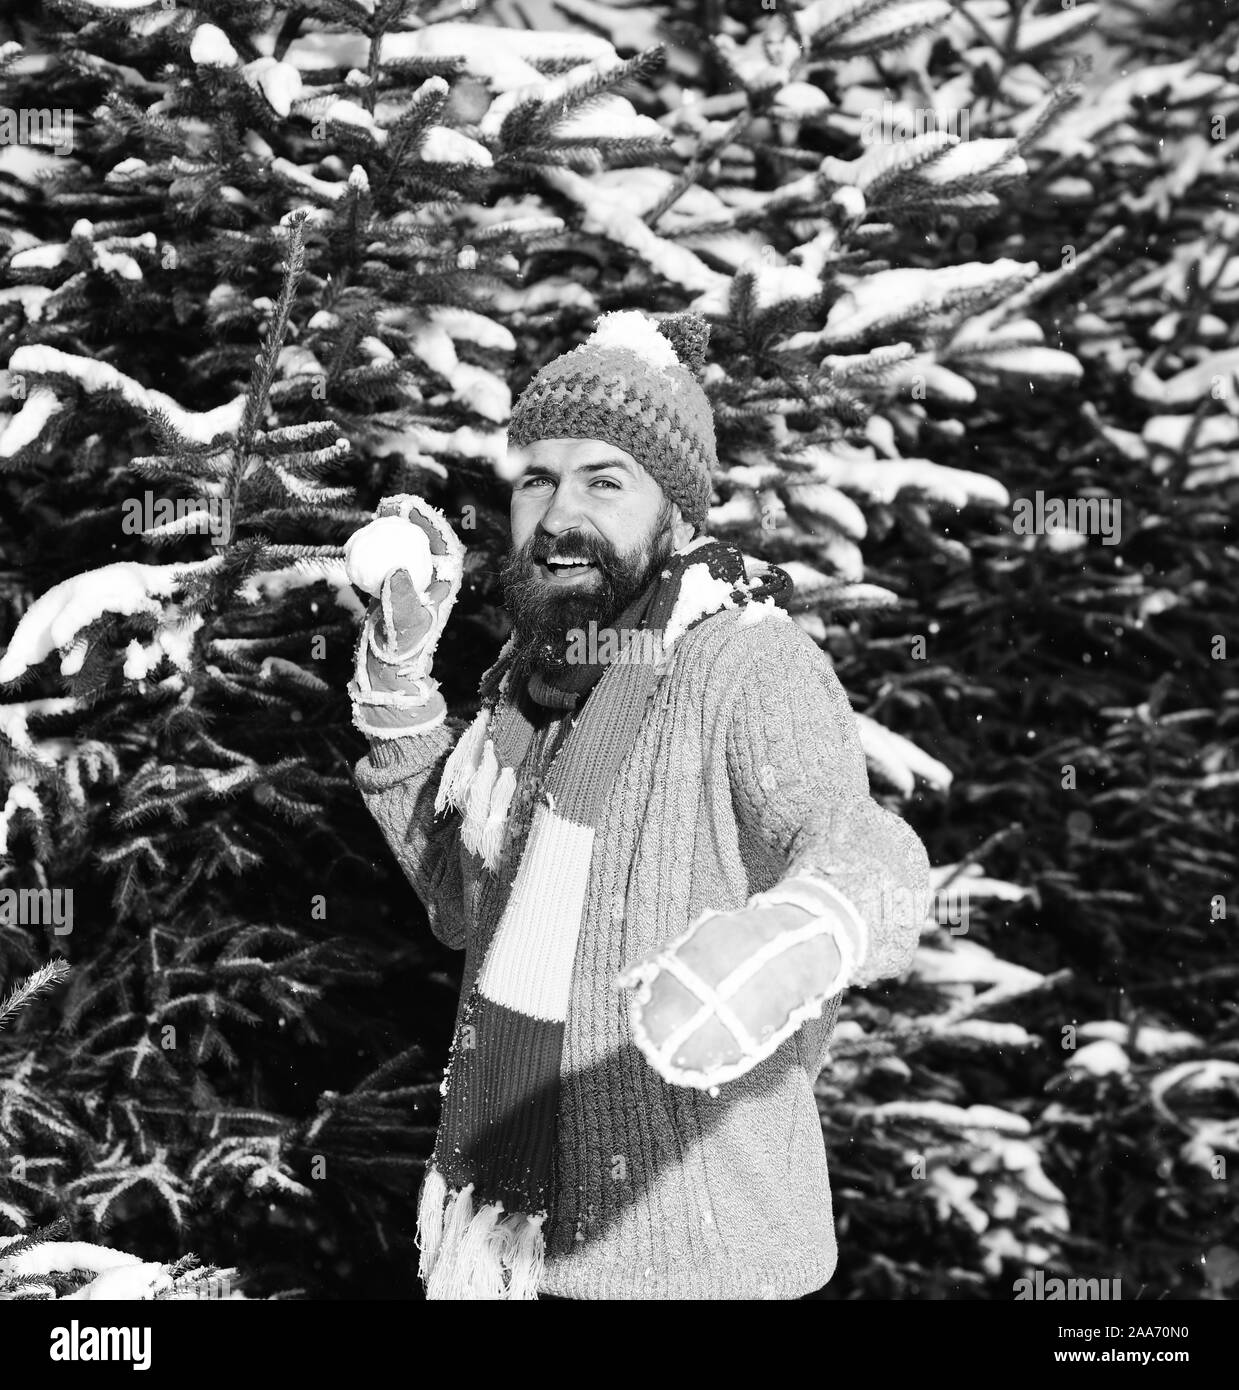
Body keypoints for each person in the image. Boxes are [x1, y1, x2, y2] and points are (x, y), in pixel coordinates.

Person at [347, 308, 931, 1300]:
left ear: (679, 512)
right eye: (539, 477)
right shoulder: (532, 682)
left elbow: (860, 844)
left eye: (604, 480)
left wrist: (800, 932)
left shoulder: (746, 662)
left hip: (702, 1261)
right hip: (517, 1242)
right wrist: (399, 686)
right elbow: (460, 899)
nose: (558, 512)